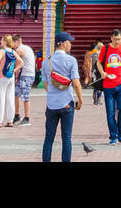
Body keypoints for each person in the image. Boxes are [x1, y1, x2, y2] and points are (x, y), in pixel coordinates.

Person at [41, 32, 82, 163]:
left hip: (51, 104)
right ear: (64, 43)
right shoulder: (71, 60)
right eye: (69, 42)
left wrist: (54, 94)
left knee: (48, 138)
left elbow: (46, 85)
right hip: (66, 103)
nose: (70, 44)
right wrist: (80, 100)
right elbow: (76, 83)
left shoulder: (46, 62)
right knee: (66, 138)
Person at [0, 35, 22, 127]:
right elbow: (21, 62)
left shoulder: (2, 51)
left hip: (2, 77)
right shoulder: (13, 51)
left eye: (2, 40)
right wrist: (15, 70)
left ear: (5, 41)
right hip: (10, 76)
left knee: (0, 98)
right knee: (10, 98)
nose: (1, 41)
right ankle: (10, 120)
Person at [14, 33, 36, 124]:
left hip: (27, 75)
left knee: (25, 96)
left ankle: (27, 118)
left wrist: (16, 77)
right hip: (26, 74)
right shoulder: (27, 47)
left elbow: (16, 63)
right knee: (16, 94)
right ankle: (17, 114)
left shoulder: (19, 49)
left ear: (16, 42)